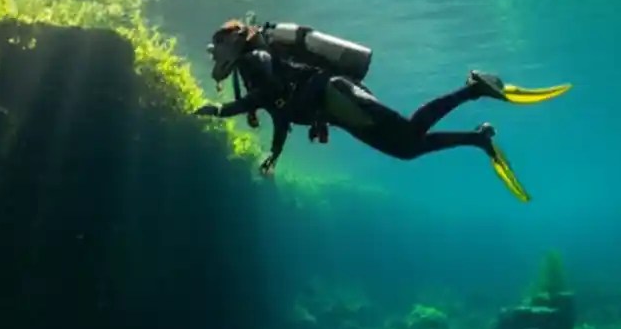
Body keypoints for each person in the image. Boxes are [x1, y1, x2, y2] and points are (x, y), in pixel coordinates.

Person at [191, 19, 570, 202]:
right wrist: (274, 155)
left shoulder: (256, 59)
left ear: (235, 38)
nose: (214, 51)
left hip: (338, 96)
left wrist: (220, 110)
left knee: (407, 132)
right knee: (406, 149)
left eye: (217, 42)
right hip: (336, 111)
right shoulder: (253, 69)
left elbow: (266, 98)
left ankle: (474, 88)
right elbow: (279, 112)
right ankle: (477, 138)